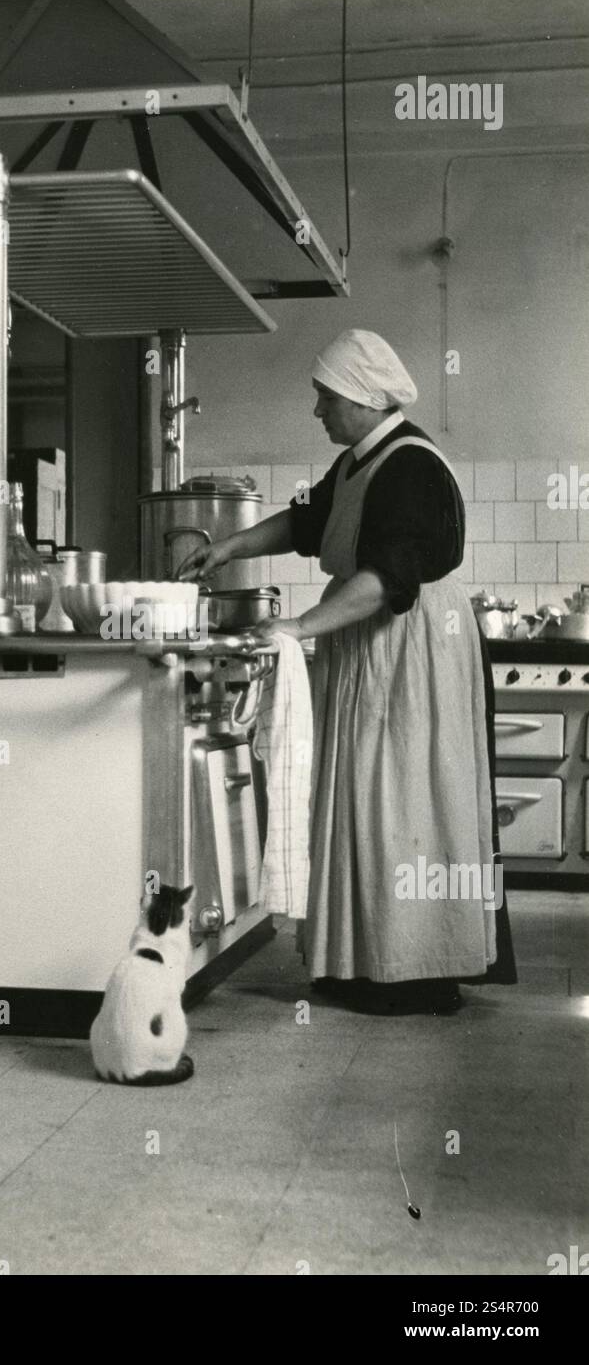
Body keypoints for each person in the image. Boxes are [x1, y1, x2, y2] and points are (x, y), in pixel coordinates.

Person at [178, 328, 516, 1015]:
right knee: (365, 796)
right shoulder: (363, 460)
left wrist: (300, 627)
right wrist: (230, 546)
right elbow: (305, 521)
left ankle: (415, 968)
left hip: (409, 642)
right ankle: (362, 962)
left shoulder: (409, 465)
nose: (317, 411)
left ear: (363, 398)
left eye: (325, 398)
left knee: (404, 798)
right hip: (370, 643)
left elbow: (390, 578)